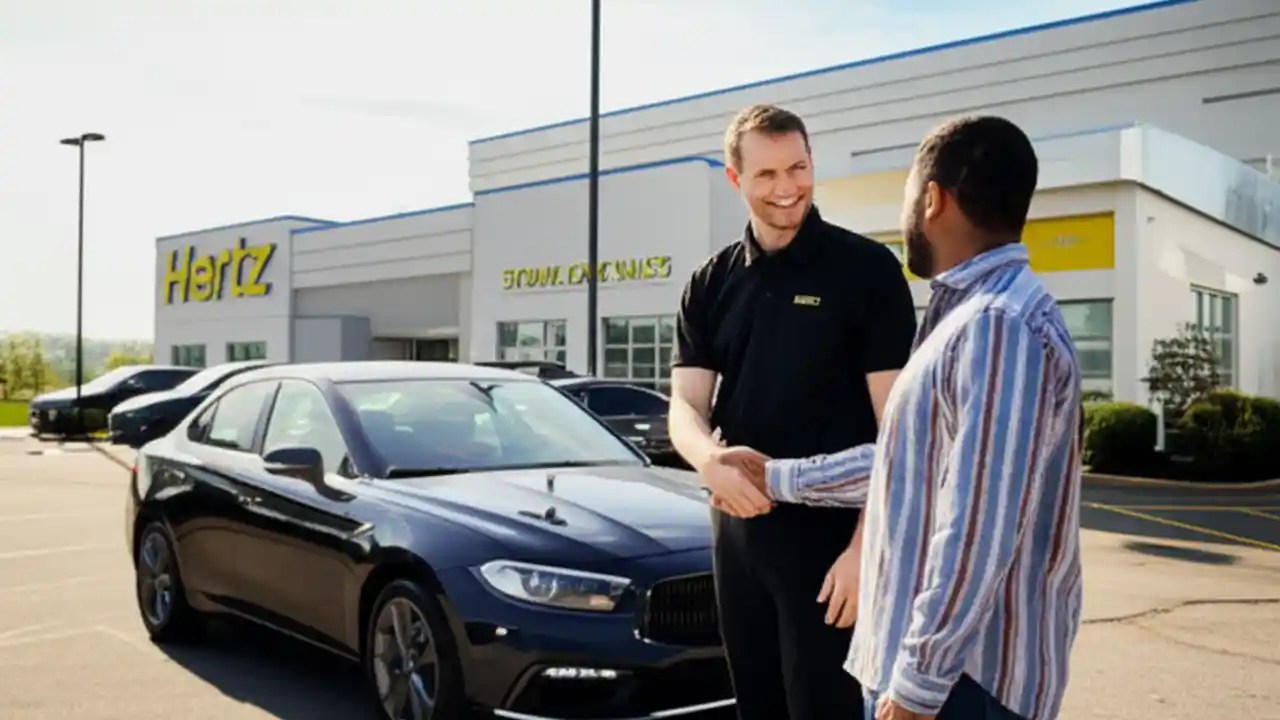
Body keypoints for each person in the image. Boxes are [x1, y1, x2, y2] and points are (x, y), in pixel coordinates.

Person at [745, 115, 1084, 720]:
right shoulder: (969, 318)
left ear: (933, 199)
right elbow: (912, 469)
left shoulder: (997, 326)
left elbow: (977, 529)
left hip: (961, 689)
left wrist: (917, 689)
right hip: (940, 681)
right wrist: (773, 477)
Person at [668, 103, 917, 720]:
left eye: (798, 168)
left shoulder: (867, 272)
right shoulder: (710, 282)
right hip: (737, 536)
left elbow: (901, 434)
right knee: (758, 708)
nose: (787, 189)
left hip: (832, 547)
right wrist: (709, 462)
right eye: (767, 175)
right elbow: (685, 405)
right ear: (736, 180)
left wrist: (867, 550)